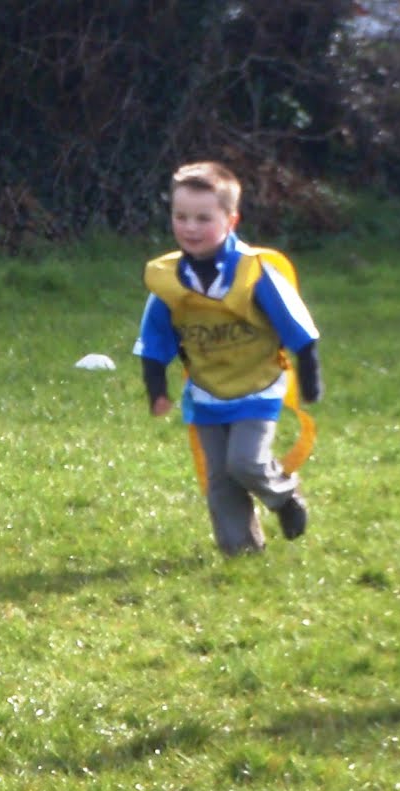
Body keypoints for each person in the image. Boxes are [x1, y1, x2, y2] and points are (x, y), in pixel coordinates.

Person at [134, 160, 323, 555]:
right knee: (220, 479)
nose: (190, 227)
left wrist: (310, 379)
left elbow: (298, 328)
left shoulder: (253, 273)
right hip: (205, 392)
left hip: (258, 385)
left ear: (231, 220)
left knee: (245, 463)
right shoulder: (168, 281)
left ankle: (284, 497)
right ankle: (242, 552)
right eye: (181, 216)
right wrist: (157, 391)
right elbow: (153, 343)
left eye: (203, 218)